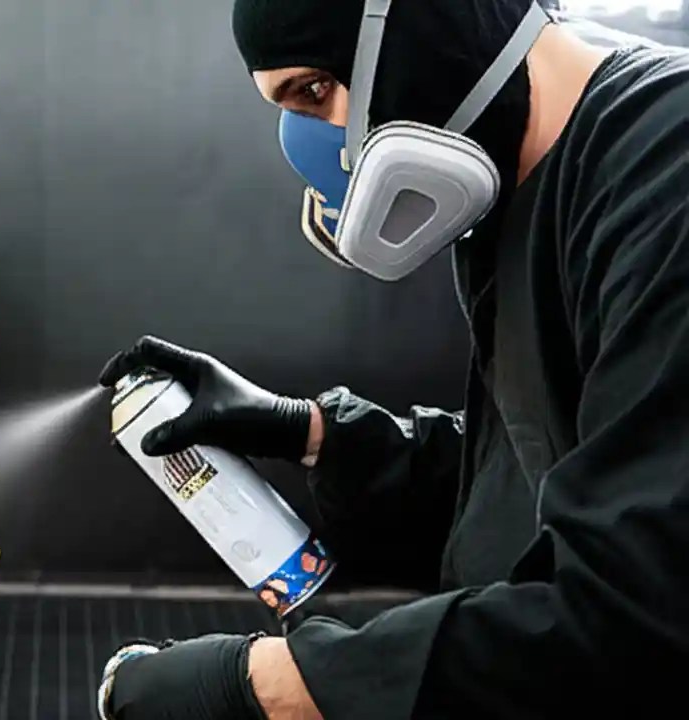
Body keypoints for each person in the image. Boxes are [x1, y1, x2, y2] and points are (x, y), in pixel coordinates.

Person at [96, 0, 689, 717]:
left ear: (419, 30)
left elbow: (635, 619)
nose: (310, 146)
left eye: (314, 92)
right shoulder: (528, 180)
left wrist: (265, 687)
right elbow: (542, 477)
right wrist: (313, 433)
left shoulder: (668, 178)